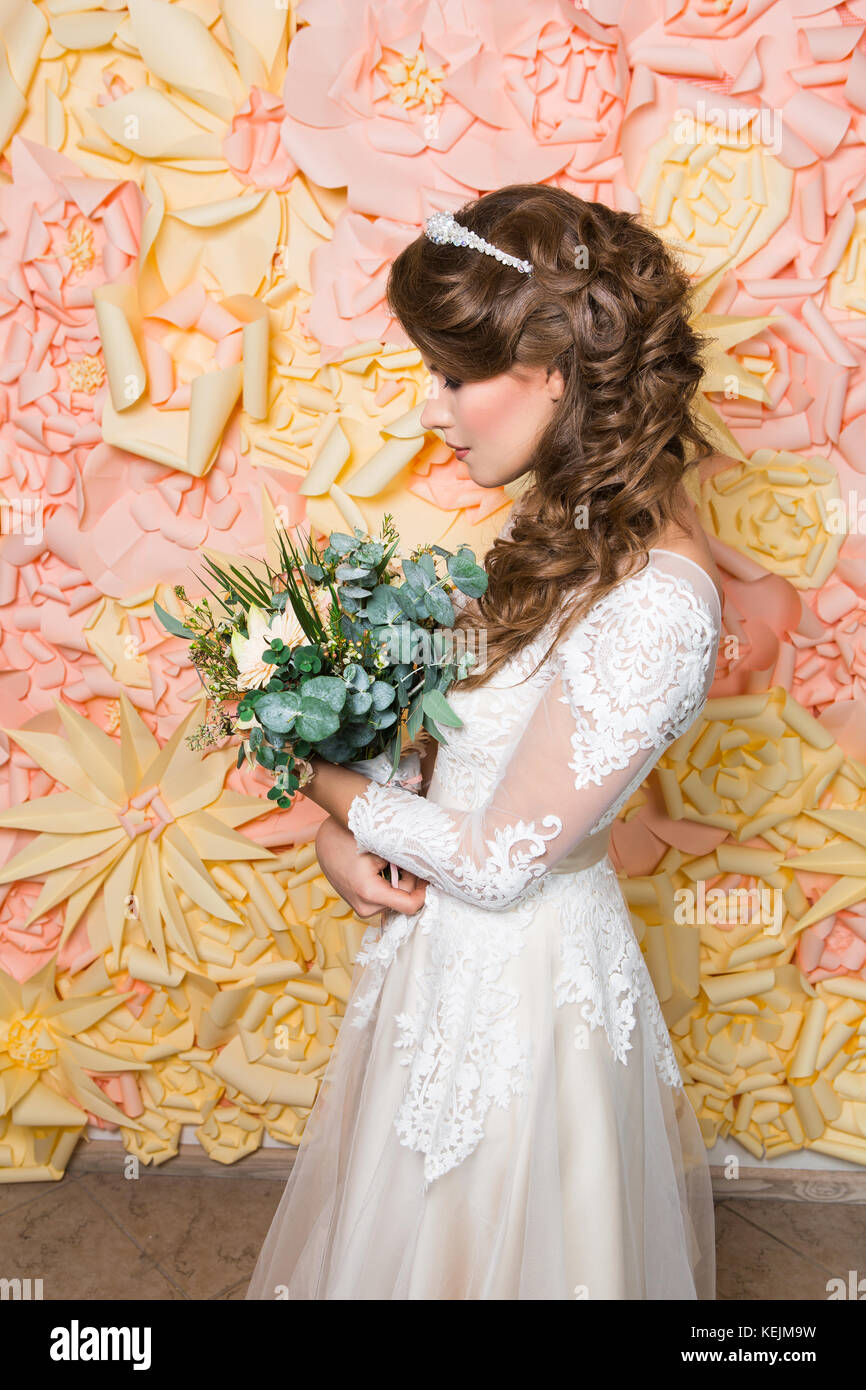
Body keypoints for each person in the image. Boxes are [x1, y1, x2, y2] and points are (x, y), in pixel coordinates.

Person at [245, 184, 726, 1300]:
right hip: (448, 973)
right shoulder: (565, 539)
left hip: (522, 997)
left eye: (456, 376)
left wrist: (318, 781)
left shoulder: (657, 600)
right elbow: (461, 759)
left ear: (555, 372)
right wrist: (349, 837)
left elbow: (505, 857)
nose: (433, 406)